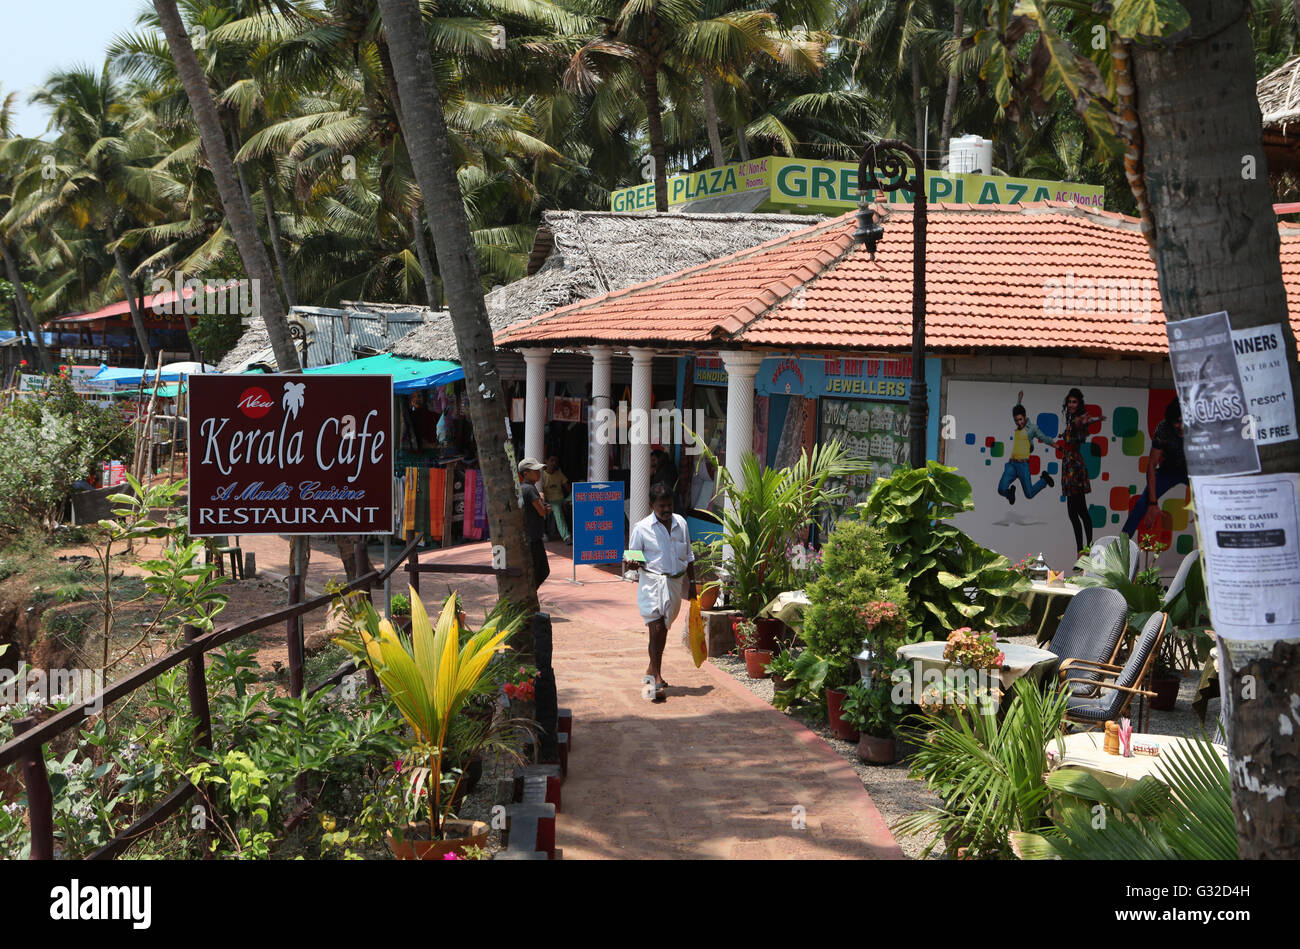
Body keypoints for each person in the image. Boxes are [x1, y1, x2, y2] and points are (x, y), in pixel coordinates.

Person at [625, 482, 697, 702]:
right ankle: (655, 677)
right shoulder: (641, 528)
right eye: (661, 506)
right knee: (655, 627)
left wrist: (692, 584)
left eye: (669, 505)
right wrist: (632, 564)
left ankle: (650, 669)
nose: (666, 510)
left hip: (675, 584)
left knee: (663, 629)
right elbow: (631, 559)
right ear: (651, 505)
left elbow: (689, 555)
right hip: (651, 584)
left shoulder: (681, 523)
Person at [1122, 400, 1187, 537]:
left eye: (1184, 421)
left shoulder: (1200, 426)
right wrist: (1152, 503)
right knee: (1141, 504)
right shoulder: (1164, 429)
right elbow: (1152, 464)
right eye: (1177, 422)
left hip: (1194, 471)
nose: (1181, 427)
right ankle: (1120, 549)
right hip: (1169, 470)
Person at [1059, 388, 1106, 555]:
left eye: (1074, 402)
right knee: (1074, 513)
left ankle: (1087, 548)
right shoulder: (1073, 419)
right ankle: (1083, 550)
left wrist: (1093, 420)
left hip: (1074, 469)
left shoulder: (1078, 419)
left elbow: (1083, 422)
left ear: (1079, 404)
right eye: (1070, 401)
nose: (1071, 404)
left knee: (1080, 511)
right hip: (1069, 467)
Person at [997, 392, 1055, 504]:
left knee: (1029, 494)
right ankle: (1010, 493)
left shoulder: (1032, 428)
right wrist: (1019, 399)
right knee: (1001, 489)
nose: (1019, 422)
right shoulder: (1018, 424)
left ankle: (1044, 480)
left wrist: (1056, 445)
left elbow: (1044, 438)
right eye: (1016, 420)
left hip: (1023, 465)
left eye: (1021, 419)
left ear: (1025, 417)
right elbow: (1017, 410)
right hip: (1012, 464)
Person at [518, 457, 551, 589]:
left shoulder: (523, 488)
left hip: (530, 536)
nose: (538, 473)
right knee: (541, 571)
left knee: (537, 571)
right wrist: (545, 507)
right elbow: (542, 511)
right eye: (535, 471)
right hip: (533, 538)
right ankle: (529, 597)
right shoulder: (530, 489)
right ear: (525, 473)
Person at [542, 456, 571, 543]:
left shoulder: (559, 474)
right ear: (546, 461)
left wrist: (567, 500)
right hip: (550, 501)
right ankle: (566, 537)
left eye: (556, 461)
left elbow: (570, 489)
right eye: (552, 460)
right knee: (557, 510)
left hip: (562, 500)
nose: (554, 463)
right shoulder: (542, 475)